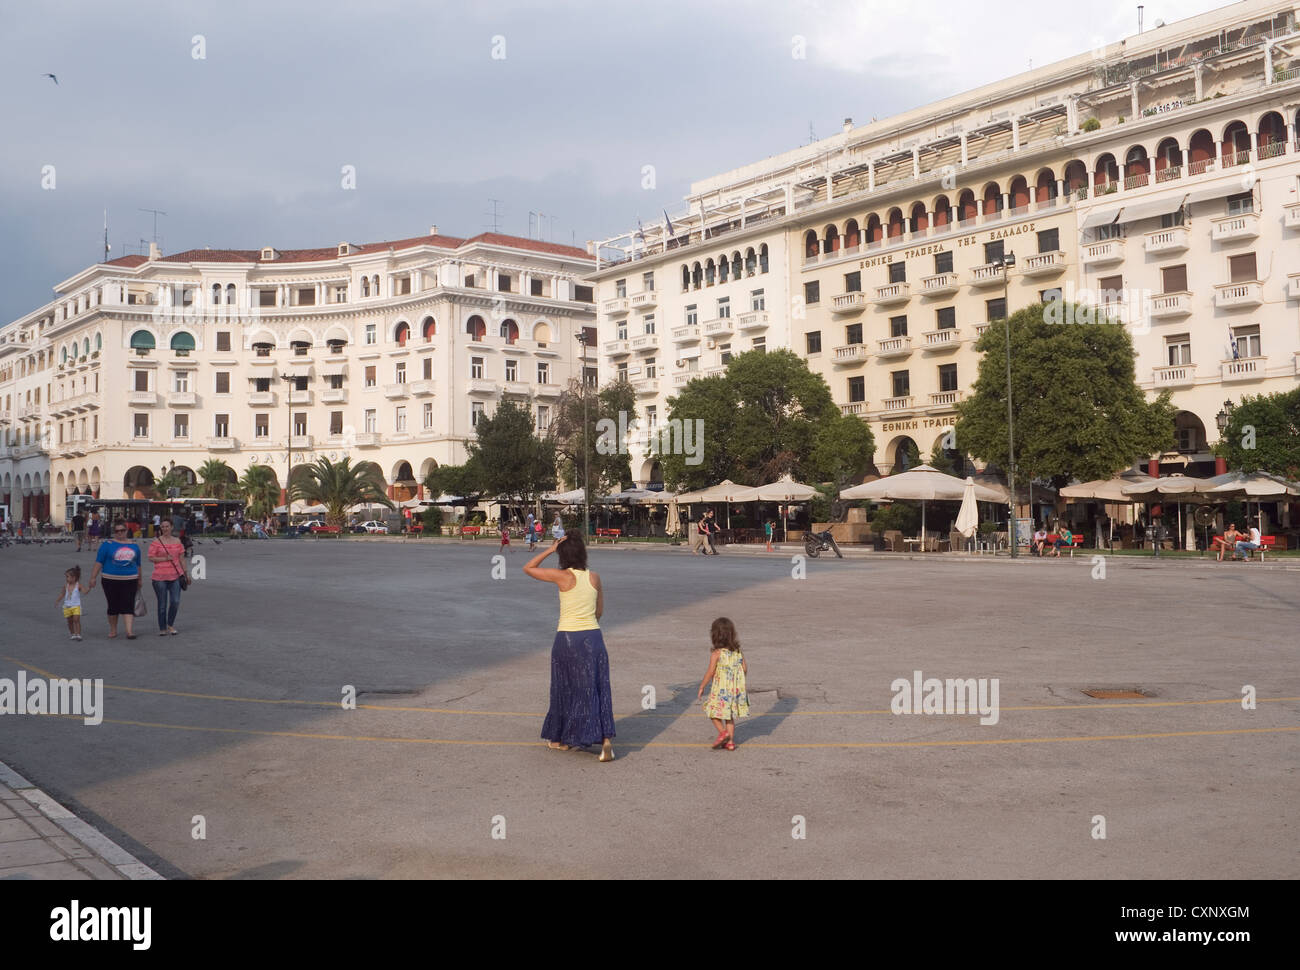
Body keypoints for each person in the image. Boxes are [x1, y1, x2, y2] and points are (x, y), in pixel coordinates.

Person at [525, 531, 615, 762]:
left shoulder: (562, 576)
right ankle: (605, 740)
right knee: (596, 687)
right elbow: (599, 612)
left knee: (565, 688)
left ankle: (559, 739)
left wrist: (549, 549)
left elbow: (529, 568)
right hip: (593, 637)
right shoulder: (594, 577)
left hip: (568, 638)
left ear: (564, 555)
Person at [697, 617, 749, 751]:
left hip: (721, 689)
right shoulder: (737, 652)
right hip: (734, 690)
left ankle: (723, 733)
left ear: (715, 636)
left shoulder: (717, 654)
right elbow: (744, 669)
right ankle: (730, 742)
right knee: (729, 716)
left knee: (711, 711)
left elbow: (710, 672)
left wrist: (702, 686)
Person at [88, 522, 142, 639]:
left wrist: (140, 579)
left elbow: (138, 565)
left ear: (126, 531)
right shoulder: (107, 545)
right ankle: (113, 629)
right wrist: (93, 577)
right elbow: (99, 562)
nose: (120, 533)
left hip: (130, 579)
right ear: (114, 532)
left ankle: (129, 631)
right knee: (113, 605)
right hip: (110, 579)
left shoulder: (134, 546)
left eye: (122, 530)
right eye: (117, 531)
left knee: (128, 604)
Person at [148, 519, 187, 635]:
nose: (165, 529)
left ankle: (170, 624)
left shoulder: (177, 541)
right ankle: (162, 628)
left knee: (175, 601)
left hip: (175, 575)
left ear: (172, 527)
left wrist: (186, 573)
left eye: (167, 526)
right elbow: (151, 557)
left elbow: (182, 559)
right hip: (159, 577)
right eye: (163, 527)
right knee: (162, 604)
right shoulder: (156, 542)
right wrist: (164, 559)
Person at [56, 565, 88, 641]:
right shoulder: (66, 586)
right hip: (67, 606)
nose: (66, 579)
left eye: (68, 577)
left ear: (74, 578)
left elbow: (85, 591)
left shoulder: (78, 585)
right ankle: (73, 633)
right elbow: (62, 594)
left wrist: (89, 587)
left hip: (76, 606)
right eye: (66, 577)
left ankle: (78, 634)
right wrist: (58, 600)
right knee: (70, 621)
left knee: (76, 620)